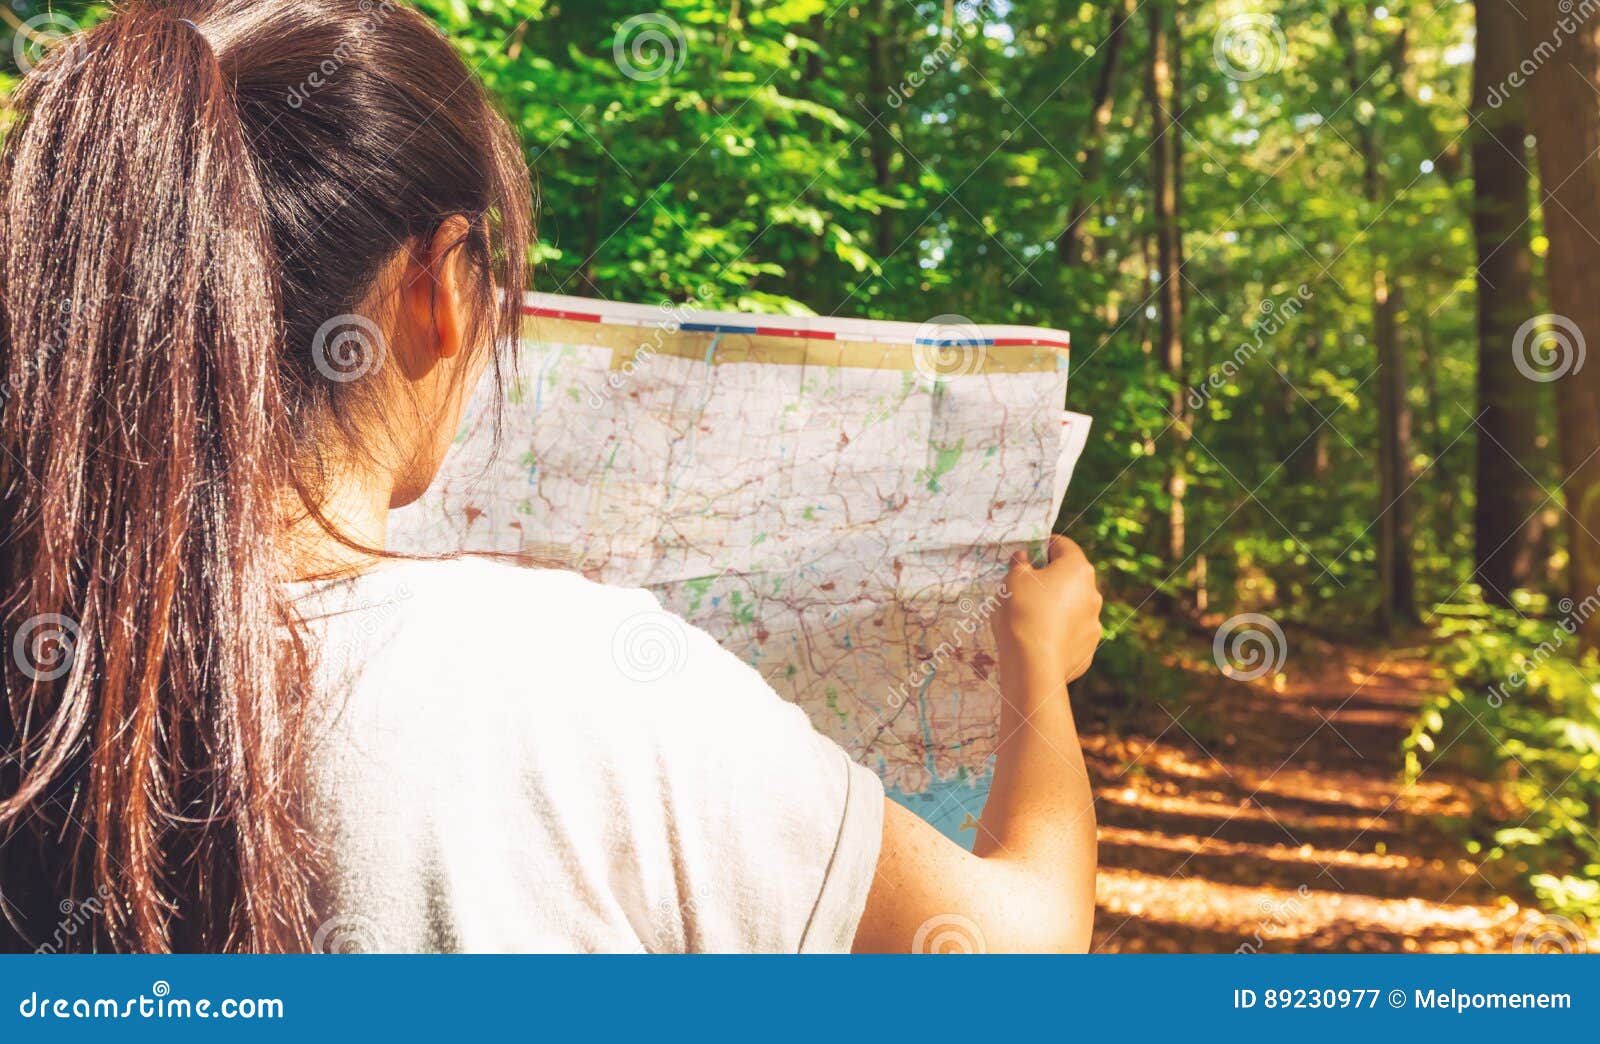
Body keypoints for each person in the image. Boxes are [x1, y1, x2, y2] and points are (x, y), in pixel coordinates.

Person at [0, 0, 1102, 954]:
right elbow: (1013, 952)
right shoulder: (571, 682)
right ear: (438, 285)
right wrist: (1033, 666)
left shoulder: (40, 672)